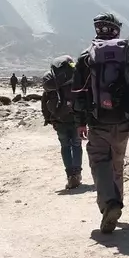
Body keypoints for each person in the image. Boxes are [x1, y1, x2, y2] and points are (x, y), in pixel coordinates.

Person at [72, 13, 129, 234]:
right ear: (116, 30)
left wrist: (80, 122)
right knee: (117, 165)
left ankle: (109, 205)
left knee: (99, 163)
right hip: (123, 122)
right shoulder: (127, 55)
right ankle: (117, 204)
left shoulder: (87, 56)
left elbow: (78, 93)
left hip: (97, 121)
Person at [41, 55, 83, 190]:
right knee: (77, 145)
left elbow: (44, 102)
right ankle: (77, 174)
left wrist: (48, 119)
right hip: (76, 118)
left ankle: (70, 176)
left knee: (65, 146)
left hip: (59, 120)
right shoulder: (74, 80)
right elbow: (82, 99)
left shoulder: (52, 82)